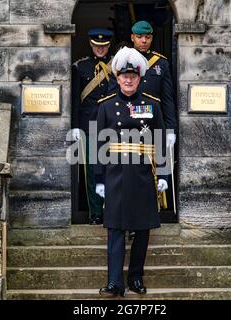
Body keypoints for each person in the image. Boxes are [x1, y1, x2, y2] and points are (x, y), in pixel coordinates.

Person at [95, 47, 169, 297]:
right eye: (123, 76)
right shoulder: (105, 106)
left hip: (142, 173)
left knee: (142, 228)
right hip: (115, 173)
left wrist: (165, 175)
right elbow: (98, 143)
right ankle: (114, 282)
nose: (128, 80)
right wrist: (98, 178)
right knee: (115, 228)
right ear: (117, 78)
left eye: (133, 76)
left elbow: (159, 142)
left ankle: (135, 278)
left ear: (139, 78)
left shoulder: (152, 104)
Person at [71, 28, 115, 225]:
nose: (101, 49)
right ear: (90, 44)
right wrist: (75, 126)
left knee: (114, 169)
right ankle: (96, 213)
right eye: (97, 46)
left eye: (104, 45)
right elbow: (74, 99)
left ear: (109, 45)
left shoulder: (117, 65)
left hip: (113, 125)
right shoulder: (81, 67)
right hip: (89, 125)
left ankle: (113, 210)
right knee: (92, 171)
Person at [130, 20, 178, 146]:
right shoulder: (124, 59)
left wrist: (170, 129)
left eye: (148, 37)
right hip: (128, 122)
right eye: (139, 37)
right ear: (132, 37)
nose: (144, 41)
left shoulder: (161, 62)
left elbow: (167, 99)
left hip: (154, 121)